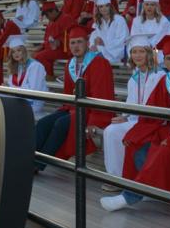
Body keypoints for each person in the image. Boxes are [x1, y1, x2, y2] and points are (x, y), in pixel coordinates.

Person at [100, 35, 170, 210]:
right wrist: (136, 132)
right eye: (168, 59)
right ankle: (148, 190)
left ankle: (128, 197)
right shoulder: (166, 81)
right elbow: (152, 110)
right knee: (136, 143)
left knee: (164, 149)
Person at [34, 25, 116, 168]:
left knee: (60, 124)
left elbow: (102, 96)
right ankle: (29, 158)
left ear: (86, 43)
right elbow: (67, 94)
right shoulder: (70, 65)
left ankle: (38, 165)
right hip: (73, 108)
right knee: (43, 123)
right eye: (73, 43)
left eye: (79, 42)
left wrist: (94, 121)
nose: (76, 46)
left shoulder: (99, 63)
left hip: (93, 111)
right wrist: (65, 109)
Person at [99, 32, 165, 198]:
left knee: (117, 132)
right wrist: (125, 116)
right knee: (111, 130)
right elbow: (130, 104)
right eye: (134, 52)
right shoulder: (134, 79)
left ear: (149, 53)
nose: (137, 55)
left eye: (141, 51)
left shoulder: (160, 75)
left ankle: (128, 178)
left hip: (152, 122)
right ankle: (116, 177)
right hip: (135, 120)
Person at [0, 34, 49, 119]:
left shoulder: (35, 66)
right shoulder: (16, 67)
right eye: (13, 52)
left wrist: (11, 88)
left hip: (33, 102)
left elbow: (33, 91)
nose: (16, 54)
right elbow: (13, 86)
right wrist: (7, 87)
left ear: (24, 51)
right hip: (19, 97)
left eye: (19, 50)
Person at [88, 0, 130, 65]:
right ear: (98, 9)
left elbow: (122, 40)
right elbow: (93, 38)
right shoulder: (97, 23)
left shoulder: (119, 20)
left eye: (106, 6)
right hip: (100, 53)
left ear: (110, 7)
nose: (104, 8)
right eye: (101, 7)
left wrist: (104, 45)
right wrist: (93, 45)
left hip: (116, 54)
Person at [34, 1, 72, 79]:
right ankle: (41, 76)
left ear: (54, 11)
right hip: (52, 49)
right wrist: (42, 46)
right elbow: (47, 38)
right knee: (33, 54)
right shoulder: (51, 22)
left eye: (47, 15)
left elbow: (72, 35)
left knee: (40, 56)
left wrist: (59, 42)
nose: (47, 17)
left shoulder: (66, 18)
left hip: (64, 50)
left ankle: (49, 75)